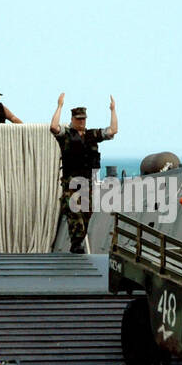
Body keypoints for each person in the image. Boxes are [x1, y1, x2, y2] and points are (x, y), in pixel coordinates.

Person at [50, 93, 118, 253]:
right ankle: (76, 244)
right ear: (73, 119)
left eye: (83, 119)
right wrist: (59, 106)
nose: (81, 122)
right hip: (71, 181)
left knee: (87, 213)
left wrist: (113, 110)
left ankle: (77, 242)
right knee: (74, 212)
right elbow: (53, 127)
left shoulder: (91, 135)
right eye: (78, 119)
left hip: (87, 181)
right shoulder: (66, 135)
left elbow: (113, 130)